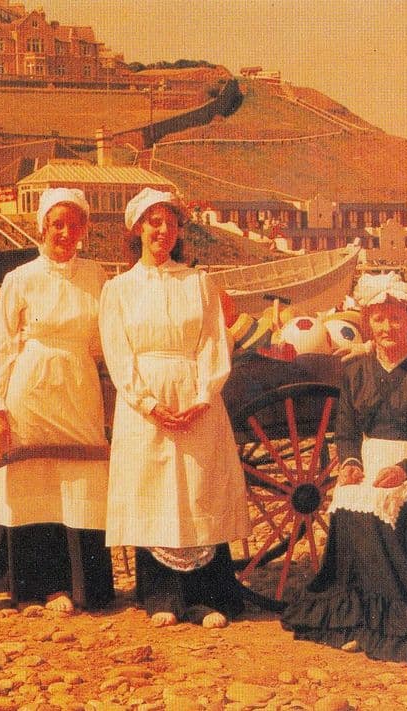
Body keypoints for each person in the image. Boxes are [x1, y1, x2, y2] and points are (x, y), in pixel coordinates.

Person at [281, 273, 407, 665]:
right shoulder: (355, 371)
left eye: (396, 318)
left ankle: (393, 617)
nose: (387, 327)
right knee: (351, 497)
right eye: (379, 319)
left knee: (385, 503)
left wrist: (404, 468)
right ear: (368, 322)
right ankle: (358, 617)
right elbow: (346, 431)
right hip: (367, 462)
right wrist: (349, 464)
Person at [99, 188, 251, 629]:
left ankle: (207, 594)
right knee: (154, 488)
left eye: (170, 223)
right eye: (153, 222)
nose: (162, 231)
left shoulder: (198, 283)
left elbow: (212, 343)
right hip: (144, 403)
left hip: (195, 397)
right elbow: (117, 352)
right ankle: (160, 594)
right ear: (137, 229)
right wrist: (146, 402)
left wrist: (203, 395)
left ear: (180, 230)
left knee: (196, 486)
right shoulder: (118, 290)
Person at [0, 188, 114, 613]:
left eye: (73, 224)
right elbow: (3, 346)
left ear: (84, 228)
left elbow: (109, 339)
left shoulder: (96, 274)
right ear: (41, 226)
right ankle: (36, 586)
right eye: (57, 224)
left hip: (79, 385)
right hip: (31, 387)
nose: (65, 232)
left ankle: (82, 585)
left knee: (80, 477)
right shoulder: (20, 279)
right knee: (33, 480)